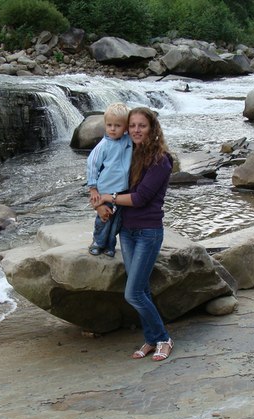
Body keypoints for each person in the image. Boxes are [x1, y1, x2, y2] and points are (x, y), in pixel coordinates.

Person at [95, 106, 174, 361]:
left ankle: (163, 338)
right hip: (127, 232)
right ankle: (151, 339)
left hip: (148, 233)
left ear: (152, 129)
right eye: (132, 125)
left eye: (142, 125)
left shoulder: (161, 160)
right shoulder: (128, 153)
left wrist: (109, 197)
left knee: (133, 293)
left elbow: (140, 198)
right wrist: (97, 198)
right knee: (142, 289)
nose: (136, 130)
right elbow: (105, 175)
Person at [86, 102, 133, 258]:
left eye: (117, 126)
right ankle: (98, 242)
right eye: (109, 125)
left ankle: (110, 244)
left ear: (125, 127)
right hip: (105, 189)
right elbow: (92, 165)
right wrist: (93, 188)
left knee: (117, 222)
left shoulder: (128, 141)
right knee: (104, 218)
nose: (113, 129)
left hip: (122, 191)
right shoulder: (103, 145)